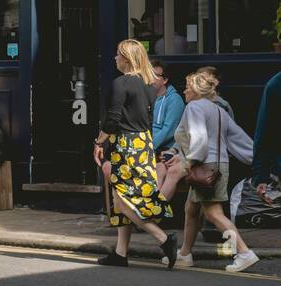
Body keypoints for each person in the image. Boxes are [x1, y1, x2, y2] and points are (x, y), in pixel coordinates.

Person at [158, 70, 258, 272]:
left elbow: (199, 139)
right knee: (191, 209)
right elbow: (237, 138)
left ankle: (244, 253)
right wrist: (258, 159)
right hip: (218, 164)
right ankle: (185, 255)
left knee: (213, 214)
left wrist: (189, 162)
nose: (184, 90)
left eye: (187, 87)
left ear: (195, 90)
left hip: (204, 165)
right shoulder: (217, 110)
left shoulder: (194, 107)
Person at [93, 38, 178, 269]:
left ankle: (163, 239)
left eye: (118, 54)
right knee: (125, 197)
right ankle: (120, 254)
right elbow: (146, 120)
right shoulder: (149, 85)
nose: (115, 58)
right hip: (143, 144)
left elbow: (113, 119)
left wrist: (99, 142)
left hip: (126, 145)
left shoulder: (121, 83)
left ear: (127, 58)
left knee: (122, 202)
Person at [249, 70, 281, 203]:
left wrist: (261, 177)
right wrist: (261, 176)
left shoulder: (276, 84)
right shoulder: (276, 85)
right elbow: (264, 133)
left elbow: (264, 132)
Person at [149, 58, 184, 154]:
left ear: (165, 80)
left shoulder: (175, 100)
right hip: (146, 148)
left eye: (154, 75)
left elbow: (169, 130)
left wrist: (149, 146)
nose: (150, 78)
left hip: (164, 151)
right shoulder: (147, 97)